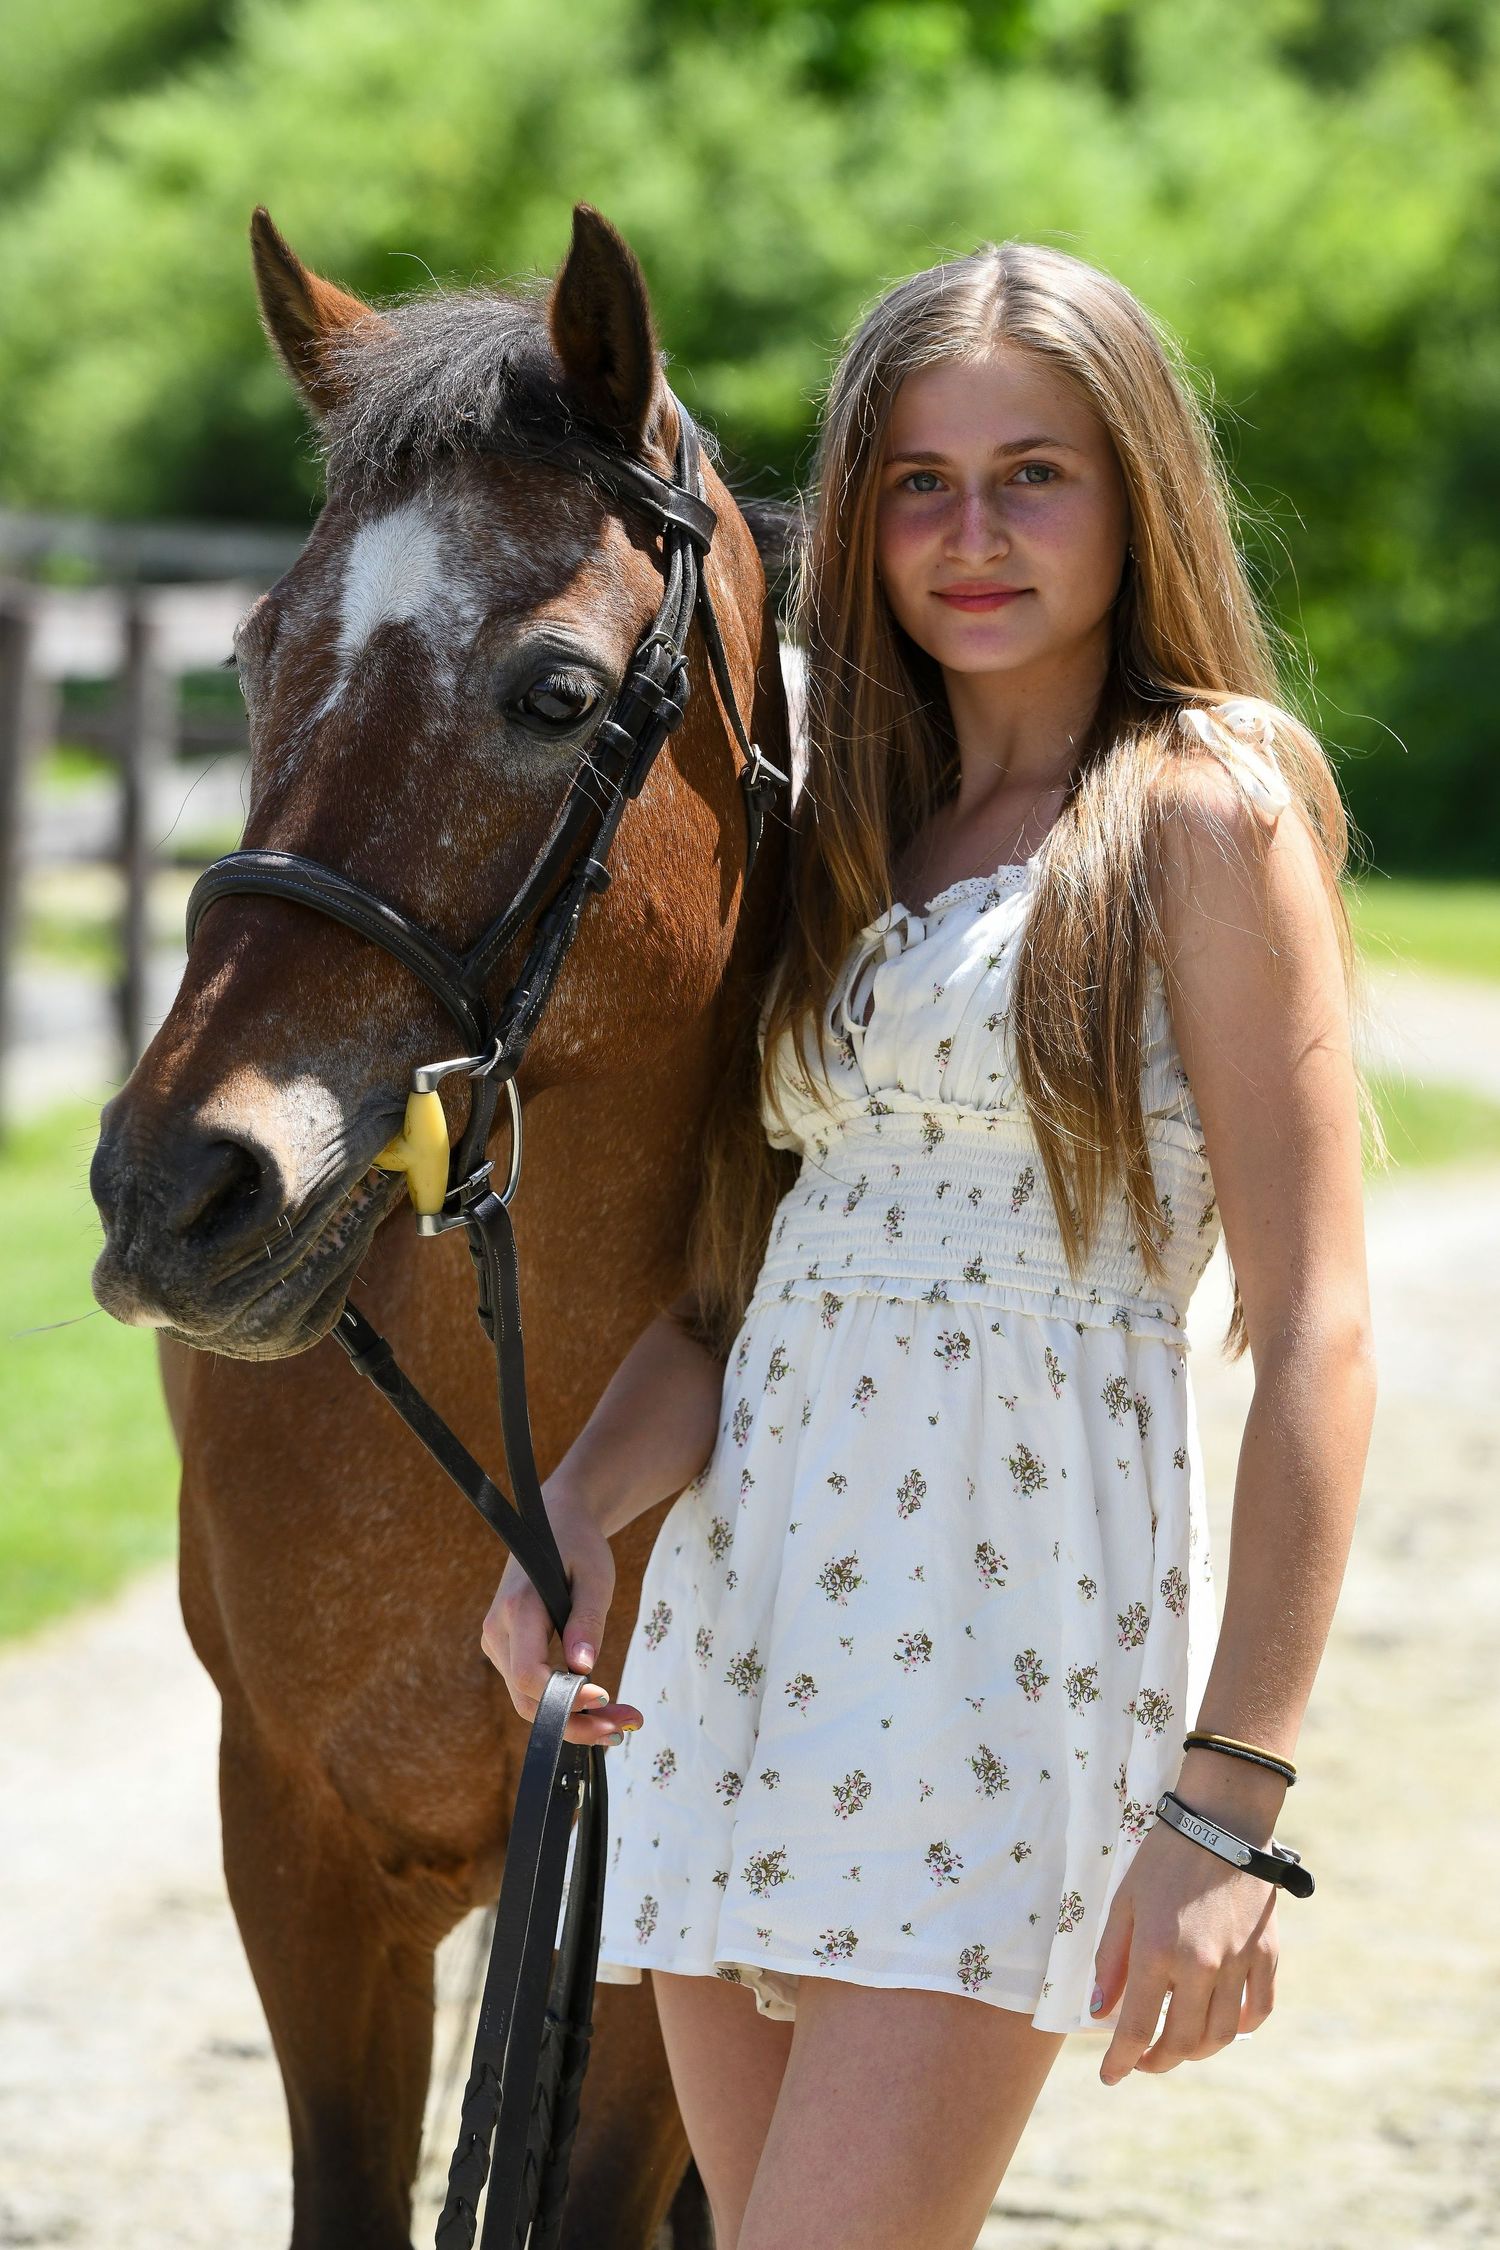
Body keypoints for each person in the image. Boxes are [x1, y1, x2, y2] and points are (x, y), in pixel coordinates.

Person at [480, 240, 1379, 2250]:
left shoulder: (1203, 807)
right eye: (917, 481)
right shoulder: (846, 830)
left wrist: (1230, 1800)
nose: (970, 533)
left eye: (1031, 473)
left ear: (1136, 487)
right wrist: (583, 1514)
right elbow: (738, 1299)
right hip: (743, 1638)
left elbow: (1318, 1322)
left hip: (1000, 1654)